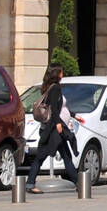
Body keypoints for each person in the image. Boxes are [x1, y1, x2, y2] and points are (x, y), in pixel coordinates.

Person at [27, 65, 79, 193]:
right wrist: (58, 124)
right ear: (57, 74)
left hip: (53, 129)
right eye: (61, 71)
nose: (63, 73)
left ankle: (79, 183)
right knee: (41, 156)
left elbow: (61, 108)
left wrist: (74, 115)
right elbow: (55, 108)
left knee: (66, 156)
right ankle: (30, 184)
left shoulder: (48, 87)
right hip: (53, 130)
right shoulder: (55, 88)